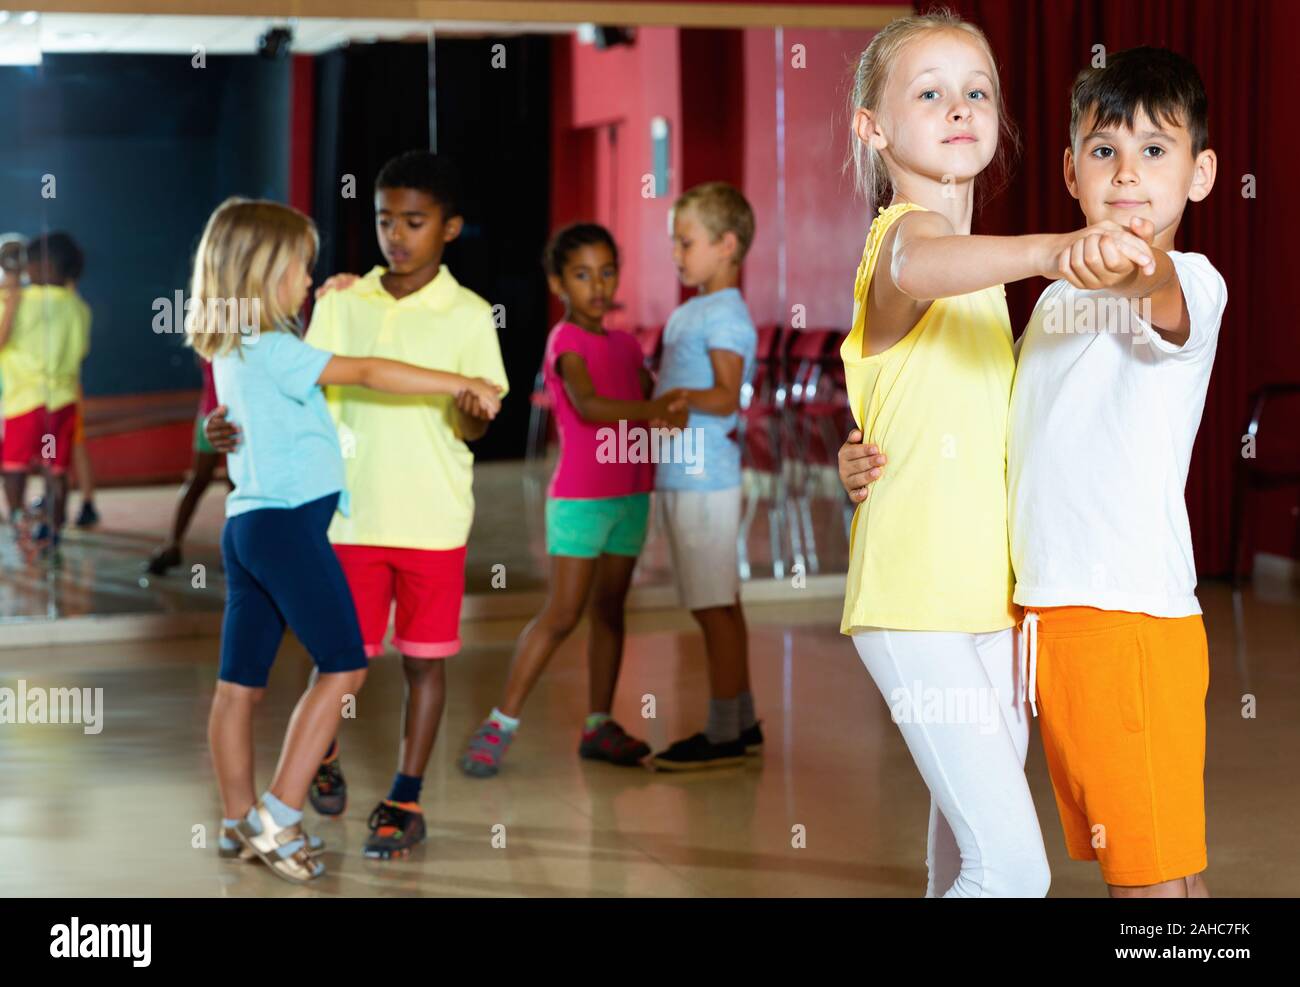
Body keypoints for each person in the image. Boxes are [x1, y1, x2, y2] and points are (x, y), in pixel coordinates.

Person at [842, 45, 1224, 899]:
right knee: (1150, 861)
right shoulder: (1040, 292)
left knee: (1151, 875)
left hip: (1125, 616)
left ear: (1201, 176)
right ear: (1068, 170)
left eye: (1154, 153)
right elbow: (991, 417)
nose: (1126, 173)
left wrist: (1120, 258)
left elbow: (1158, 288)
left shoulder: (1190, 279)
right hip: (1044, 620)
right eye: (1103, 152)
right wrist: (866, 444)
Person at [207, 151, 510, 859]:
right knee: (342, 663)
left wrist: (471, 400)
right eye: (383, 220)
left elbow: (473, 419)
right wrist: (454, 377)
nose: (396, 234)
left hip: (407, 520)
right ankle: (281, 809)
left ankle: (261, 815)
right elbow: (346, 374)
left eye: (414, 220)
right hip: (333, 521)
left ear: (451, 227)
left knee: (263, 680)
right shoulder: (333, 307)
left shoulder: (466, 313)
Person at [459, 222, 687, 778]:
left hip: (632, 497)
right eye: (582, 275)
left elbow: (648, 403)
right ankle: (501, 721)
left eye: (606, 272)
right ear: (560, 282)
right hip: (581, 502)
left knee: (610, 611)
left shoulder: (628, 345)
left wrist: (671, 411)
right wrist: (659, 412)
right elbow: (589, 406)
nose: (597, 285)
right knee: (562, 614)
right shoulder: (564, 342)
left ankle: (598, 725)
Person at [647, 183, 763, 772]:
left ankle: (723, 732)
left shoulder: (727, 314)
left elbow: (725, 396)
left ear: (727, 245)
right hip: (684, 476)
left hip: (704, 480)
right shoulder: (695, 309)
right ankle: (741, 719)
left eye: (685, 241)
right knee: (719, 602)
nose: (676, 252)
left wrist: (679, 396)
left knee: (713, 607)